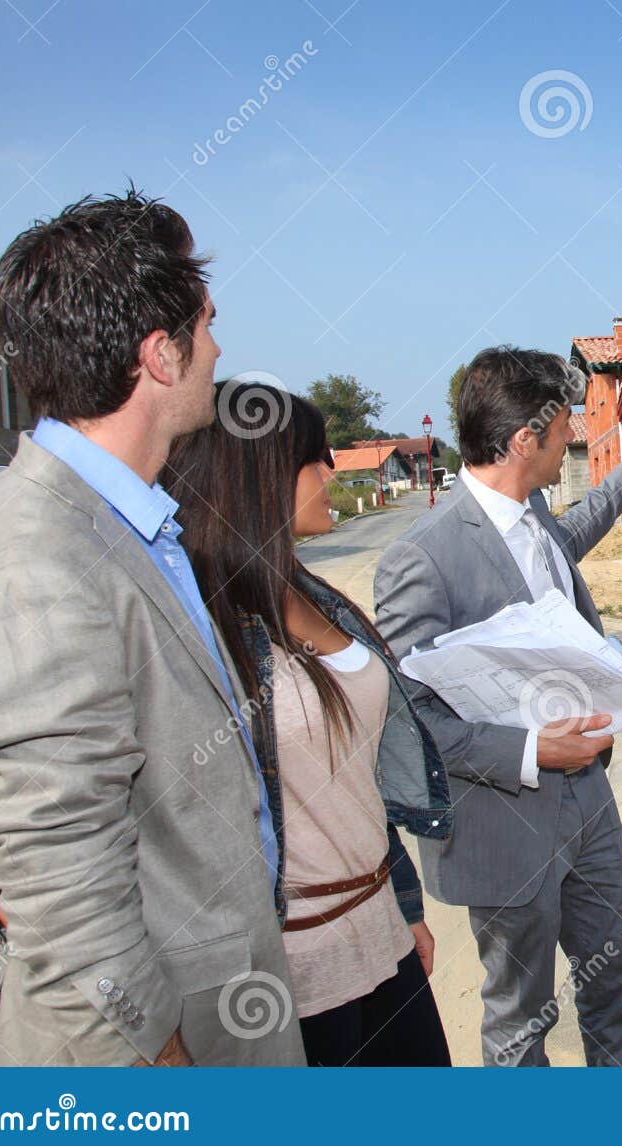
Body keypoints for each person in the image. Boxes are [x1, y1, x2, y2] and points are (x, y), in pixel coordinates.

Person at [0, 191, 304, 1065]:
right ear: (160, 356)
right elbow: (61, 888)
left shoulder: (129, 522)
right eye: (206, 324)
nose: (218, 347)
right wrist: (160, 1066)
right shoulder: (37, 554)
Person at [375, 346, 622, 1066]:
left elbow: (562, 544)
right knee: (520, 1020)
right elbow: (411, 719)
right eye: (563, 427)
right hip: (505, 820)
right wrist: (530, 750)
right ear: (523, 440)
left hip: (588, 803)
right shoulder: (421, 557)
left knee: (617, 986)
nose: (573, 437)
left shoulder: (533, 511)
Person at [163, 380, 453, 1066]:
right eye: (314, 456)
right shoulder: (194, 625)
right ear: (253, 478)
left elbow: (358, 772)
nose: (332, 471)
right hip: (288, 970)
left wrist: (405, 903)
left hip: (379, 931)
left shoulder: (318, 594)